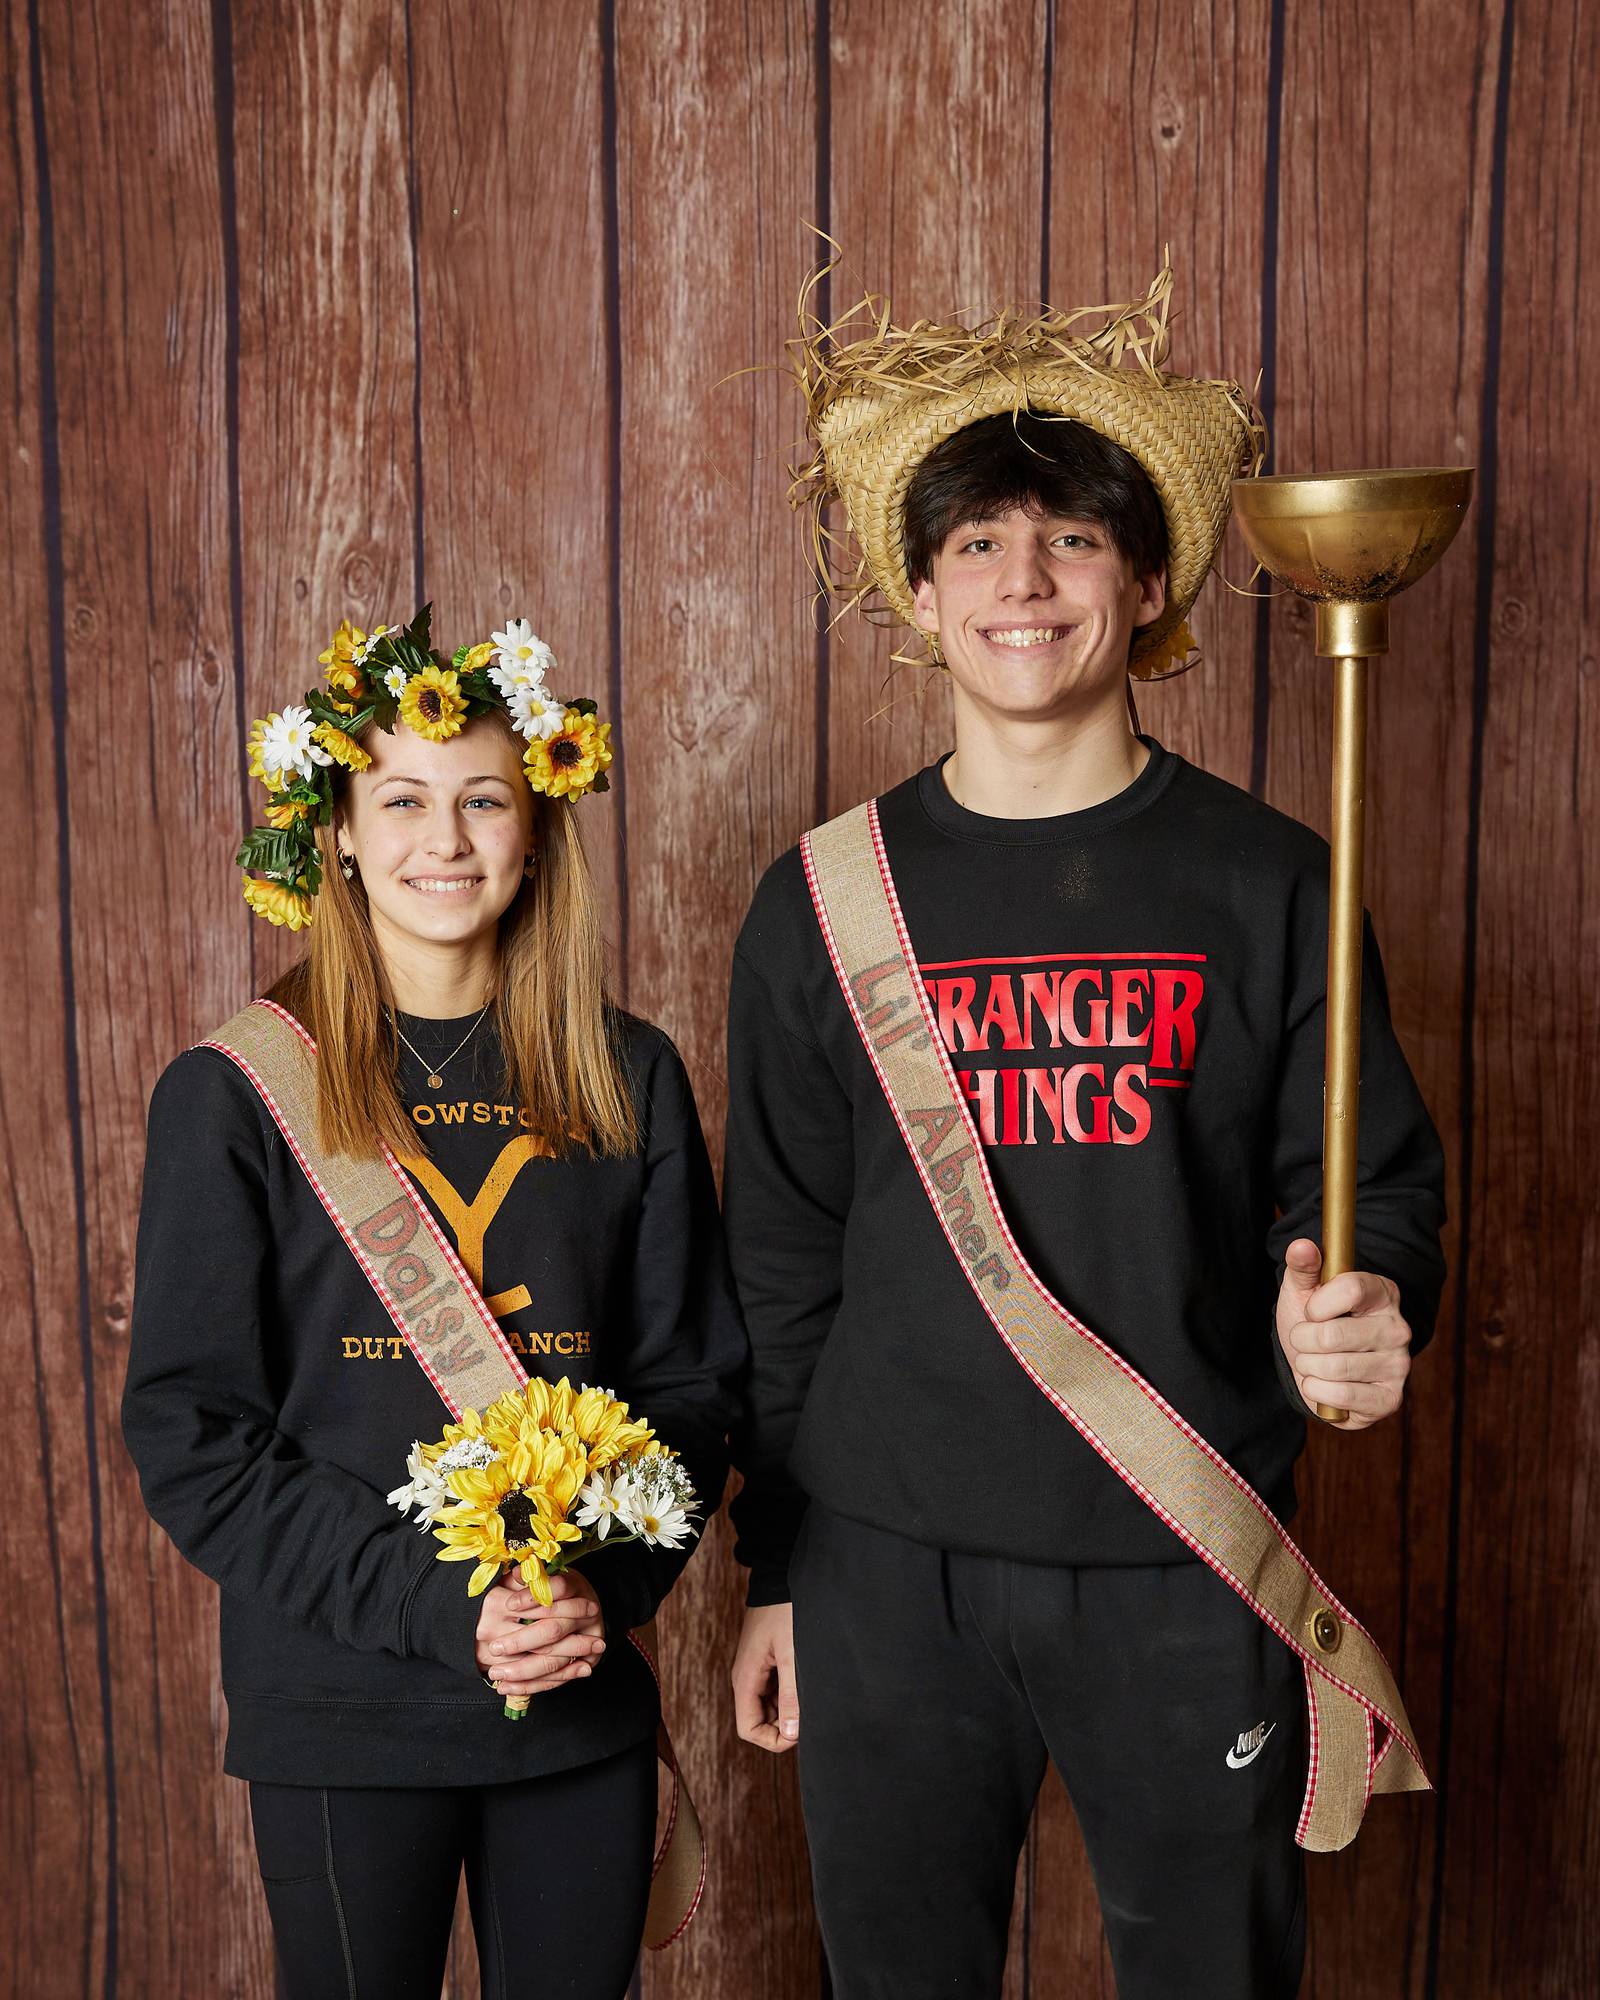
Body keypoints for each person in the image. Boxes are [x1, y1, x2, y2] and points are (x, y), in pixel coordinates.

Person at [724, 263, 1446, 1998]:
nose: (1022, 581)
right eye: (977, 541)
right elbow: (779, 1259)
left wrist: (1354, 1305)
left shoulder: (1269, 877)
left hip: (1179, 1543)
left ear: (1143, 582)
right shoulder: (820, 901)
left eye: (1068, 541)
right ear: (919, 589)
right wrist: (779, 1571)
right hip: (890, 1565)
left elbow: (1370, 1182)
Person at [123, 609, 745, 2000]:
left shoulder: (627, 1075)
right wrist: (436, 1601)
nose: (444, 840)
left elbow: (698, 1390)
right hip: (342, 1708)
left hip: (573, 1706)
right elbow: (193, 1434)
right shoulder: (233, 1094)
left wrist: (600, 1580)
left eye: (484, 800)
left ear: (538, 829)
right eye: (400, 799)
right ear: (336, 830)